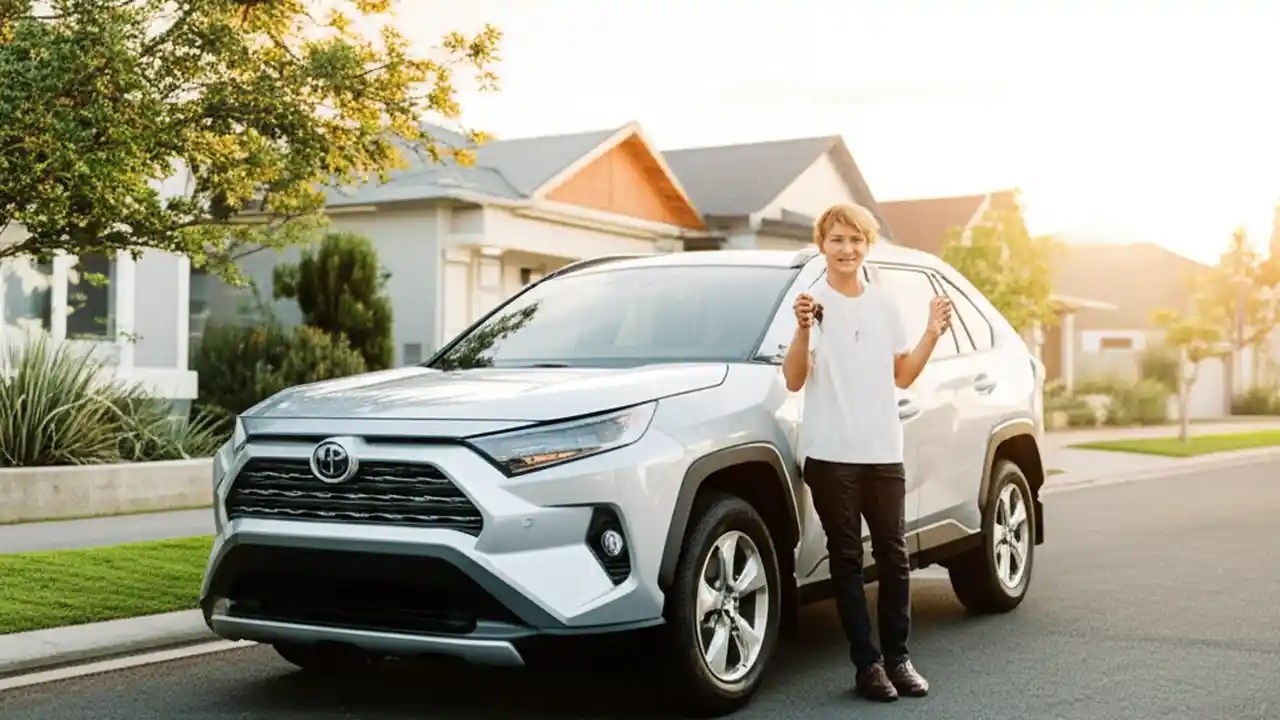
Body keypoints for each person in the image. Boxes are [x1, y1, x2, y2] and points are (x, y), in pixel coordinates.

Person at [782, 202, 952, 703]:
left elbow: (901, 374)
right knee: (847, 558)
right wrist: (804, 329)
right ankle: (868, 664)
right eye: (837, 239)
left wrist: (932, 332)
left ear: (867, 246)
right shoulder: (808, 302)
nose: (847, 249)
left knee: (895, 555)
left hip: (882, 447)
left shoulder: (883, 303)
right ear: (822, 245)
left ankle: (899, 658)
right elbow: (793, 379)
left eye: (856, 240)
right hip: (831, 452)